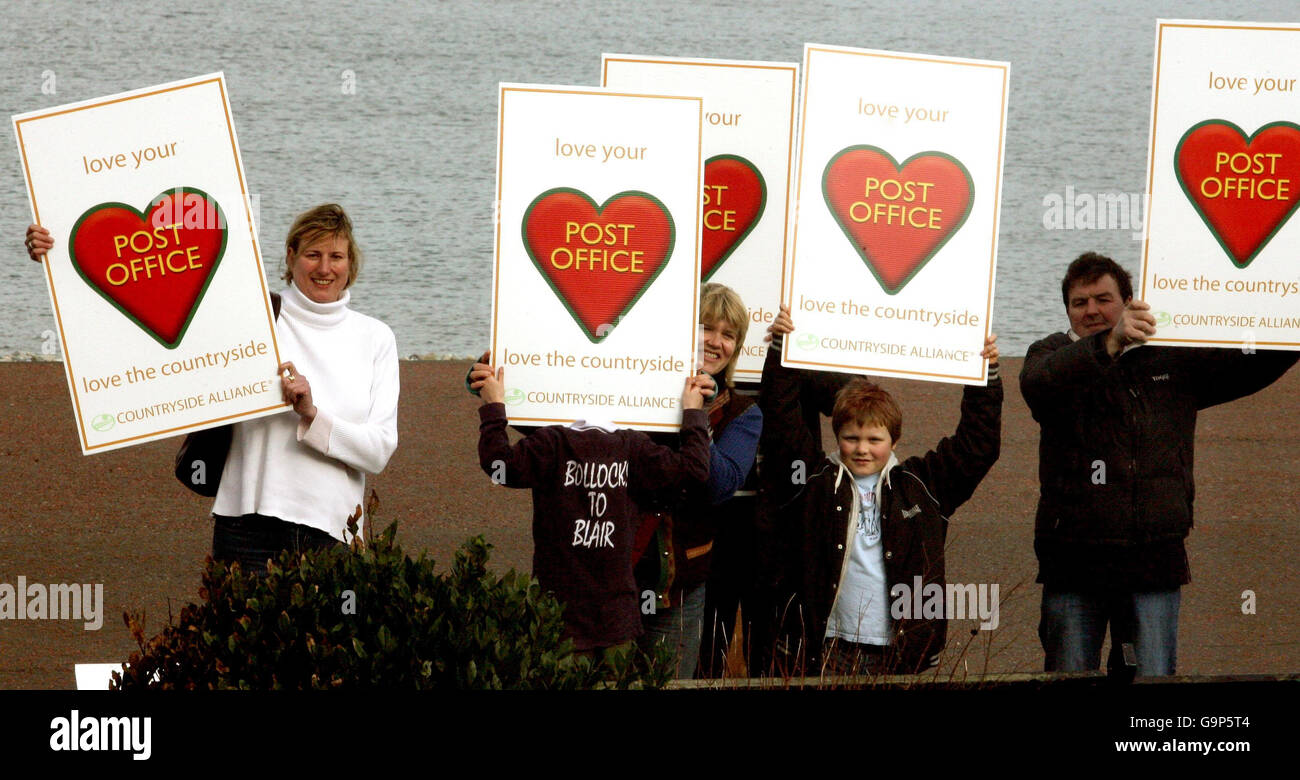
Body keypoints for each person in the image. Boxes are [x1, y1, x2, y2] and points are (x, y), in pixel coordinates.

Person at [26, 204, 400, 571]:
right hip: (243, 527)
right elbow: (145, 299)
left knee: (327, 635)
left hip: (331, 530)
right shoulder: (251, 314)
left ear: (350, 263)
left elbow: (378, 452)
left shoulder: (375, 338)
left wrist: (312, 416)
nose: (324, 268)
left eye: (336, 256)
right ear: (290, 256)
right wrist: (58, 261)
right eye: (312, 254)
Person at [1021, 252, 1298, 676]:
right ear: (1067, 312)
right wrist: (1109, 344)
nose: (1092, 310)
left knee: (1154, 683)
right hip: (1073, 561)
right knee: (1068, 679)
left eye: (1103, 299)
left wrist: (1290, 322)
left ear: (1130, 301)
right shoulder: (1051, 355)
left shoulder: (1172, 358)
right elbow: (1041, 385)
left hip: (1154, 558)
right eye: (1080, 303)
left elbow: (1252, 362)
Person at [762, 304, 1002, 674]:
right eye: (851, 437)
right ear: (837, 436)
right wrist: (780, 352)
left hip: (901, 650)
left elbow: (977, 446)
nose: (861, 448)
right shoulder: (812, 483)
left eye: (874, 438)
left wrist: (985, 375)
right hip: (828, 647)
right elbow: (781, 422)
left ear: (894, 439)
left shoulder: (922, 486)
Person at [473, 363, 712, 654]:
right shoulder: (627, 446)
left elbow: (499, 465)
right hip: (593, 619)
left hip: (573, 618)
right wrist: (693, 415)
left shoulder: (555, 442)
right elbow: (694, 474)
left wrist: (494, 408)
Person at [634, 282, 763, 678]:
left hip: (680, 585)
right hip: (618, 575)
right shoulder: (636, 390)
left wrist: (697, 415)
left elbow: (721, 484)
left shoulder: (744, 411)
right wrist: (507, 395)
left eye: (728, 335)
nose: (715, 342)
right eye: (706, 327)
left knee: (670, 684)